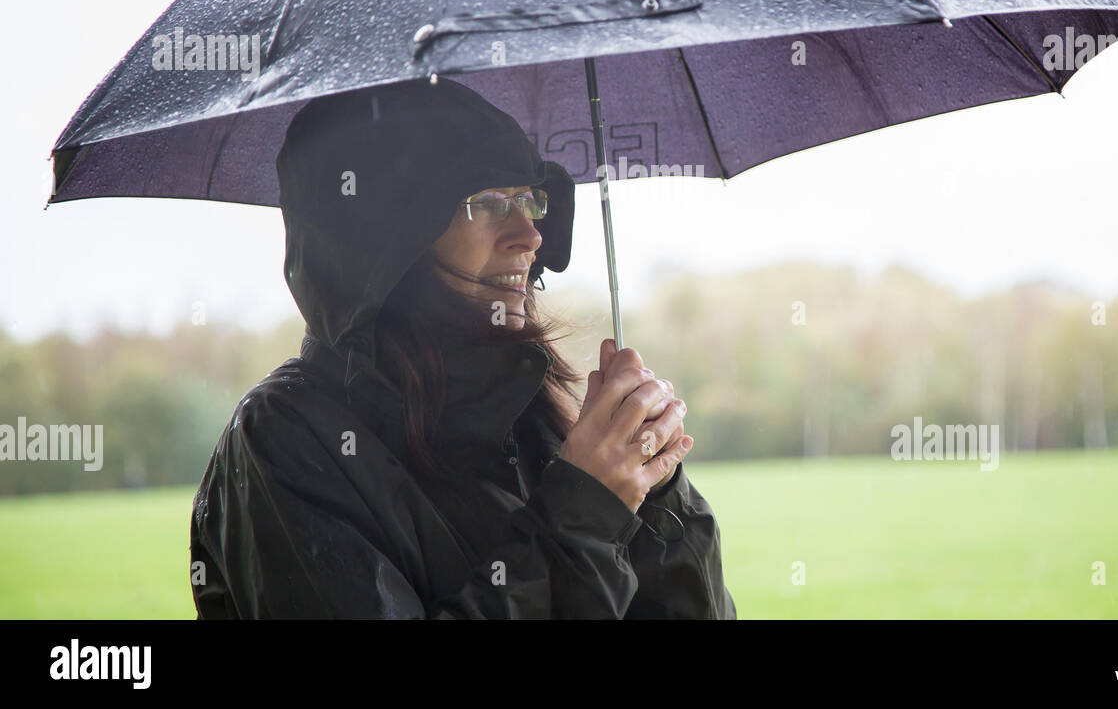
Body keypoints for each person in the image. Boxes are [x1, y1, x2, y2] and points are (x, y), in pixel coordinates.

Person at [188, 76, 737, 619]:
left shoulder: (533, 419)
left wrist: (656, 497)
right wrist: (584, 516)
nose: (531, 235)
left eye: (530, 199)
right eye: (489, 202)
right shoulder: (284, 441)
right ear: (384, 237)